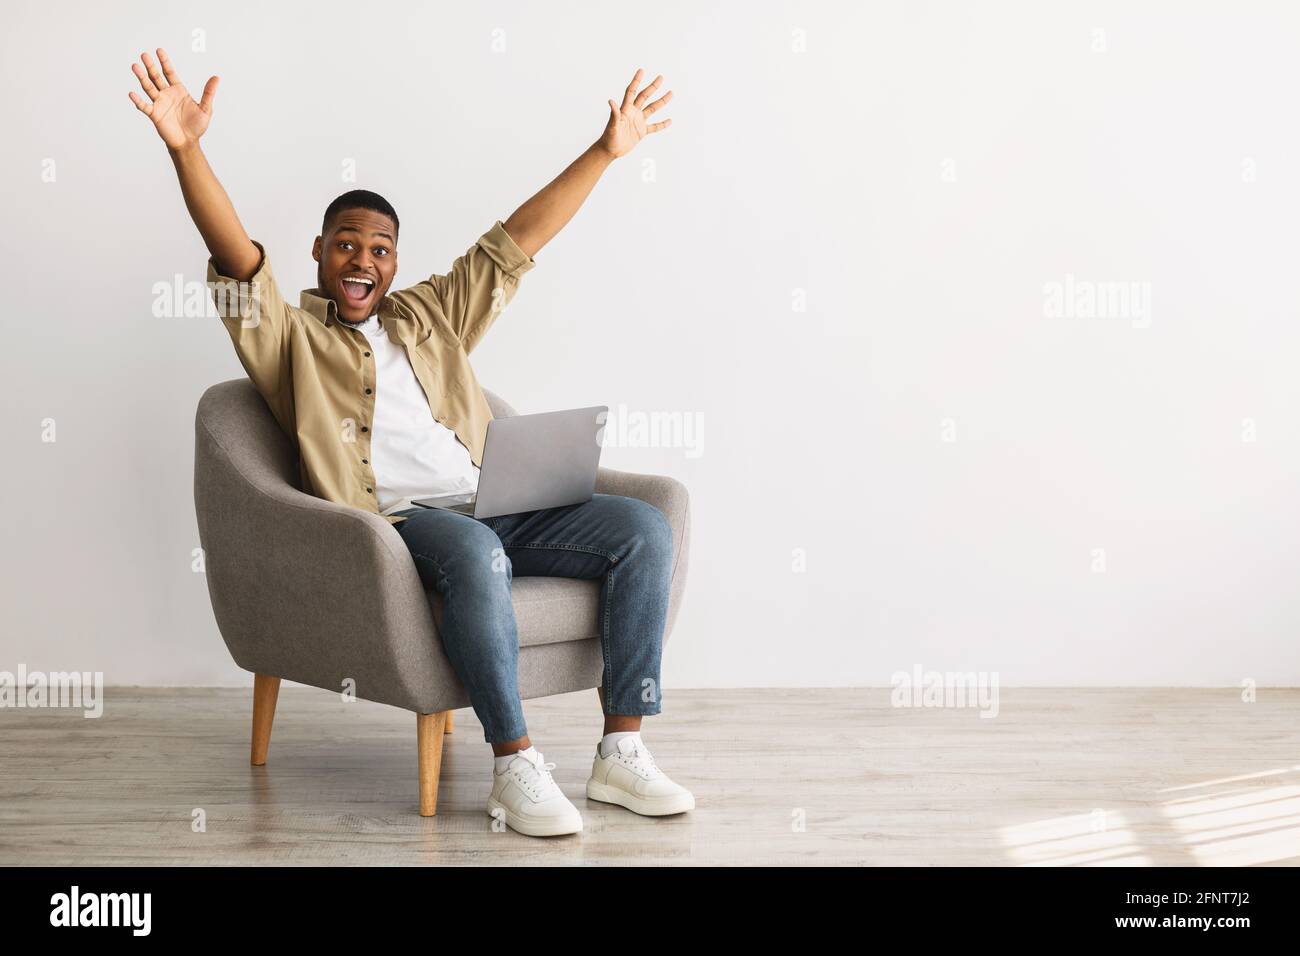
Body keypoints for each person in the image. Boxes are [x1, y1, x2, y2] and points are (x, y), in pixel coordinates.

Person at [129, 47, 691, 837]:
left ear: (395, 263)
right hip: (402, 524)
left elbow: (518, 242)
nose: (364, 259)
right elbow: (234, 254)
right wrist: (187, 148)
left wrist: (605, 150)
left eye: (381, 248)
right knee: (473, 553)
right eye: (347, 244)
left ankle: (620, 752)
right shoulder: (288, 338)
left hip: (490, 500)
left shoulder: (428, 315)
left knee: (643, 529)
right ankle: (514, 764)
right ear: (321, 254)